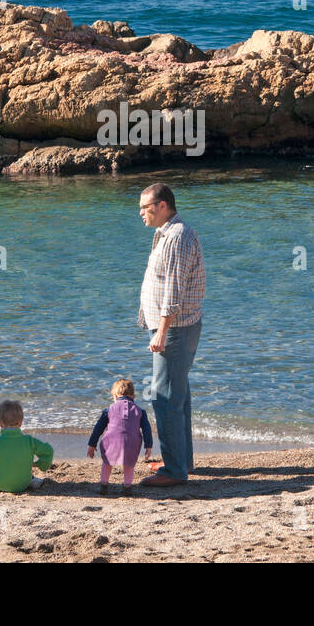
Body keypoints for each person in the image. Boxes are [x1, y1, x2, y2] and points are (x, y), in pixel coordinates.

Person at [136, 183, 205, 488]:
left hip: (175, 328)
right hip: (176, 326)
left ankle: (175, 470)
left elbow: (174, 291)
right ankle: (181, 460)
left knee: (163, 397)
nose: (141, 213)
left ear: (163, 205)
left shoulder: (176, 237)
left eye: (146, 207)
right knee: (179, 396)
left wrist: (161, 332)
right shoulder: (166, 233)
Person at [87, 378, 153, 495]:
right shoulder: (141, 411)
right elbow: (147, 430)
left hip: (110, 441)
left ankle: (104, 485)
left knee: (107, 462)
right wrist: (148, 446)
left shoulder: (109, 410)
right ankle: (127, 487)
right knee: (129, 464)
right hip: (132, 442)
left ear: (116, 396)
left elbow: (98, 428)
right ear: (133, 397)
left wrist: (92, 444)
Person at [0, 400, 54, 493]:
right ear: (21, 422)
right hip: (23, 484)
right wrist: (41, 465)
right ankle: (32, 480)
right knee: (20, 464)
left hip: (0, 485)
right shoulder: (29, 441)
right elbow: (48, 451)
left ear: (0, 423)